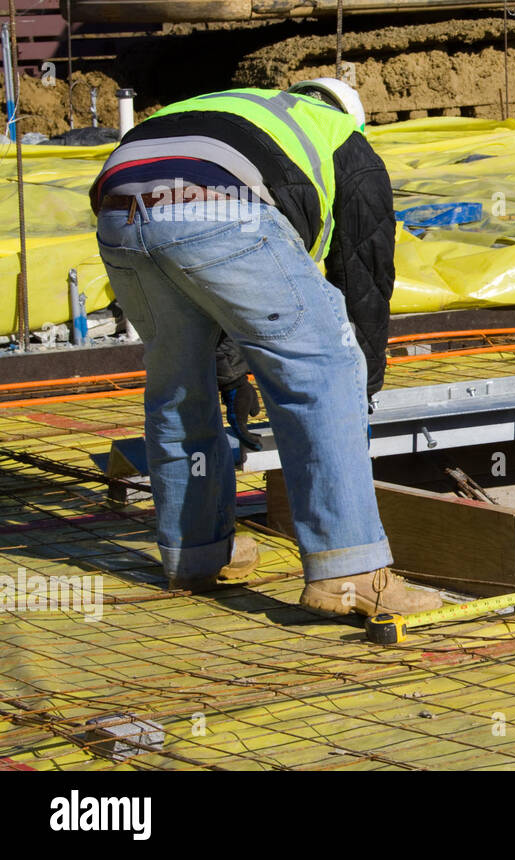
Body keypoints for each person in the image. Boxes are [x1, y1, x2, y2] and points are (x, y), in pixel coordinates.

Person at [92, 78, 442, 618]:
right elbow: (361, 272)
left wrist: (229, 370)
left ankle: (197, 555)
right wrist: (362, 381)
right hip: (216, 205)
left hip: (121, 206)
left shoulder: (238, 109)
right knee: (321, 372)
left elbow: (227, 284)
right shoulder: (344, 139)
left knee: (180, 384)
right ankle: (348, 574)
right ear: (353, 116)